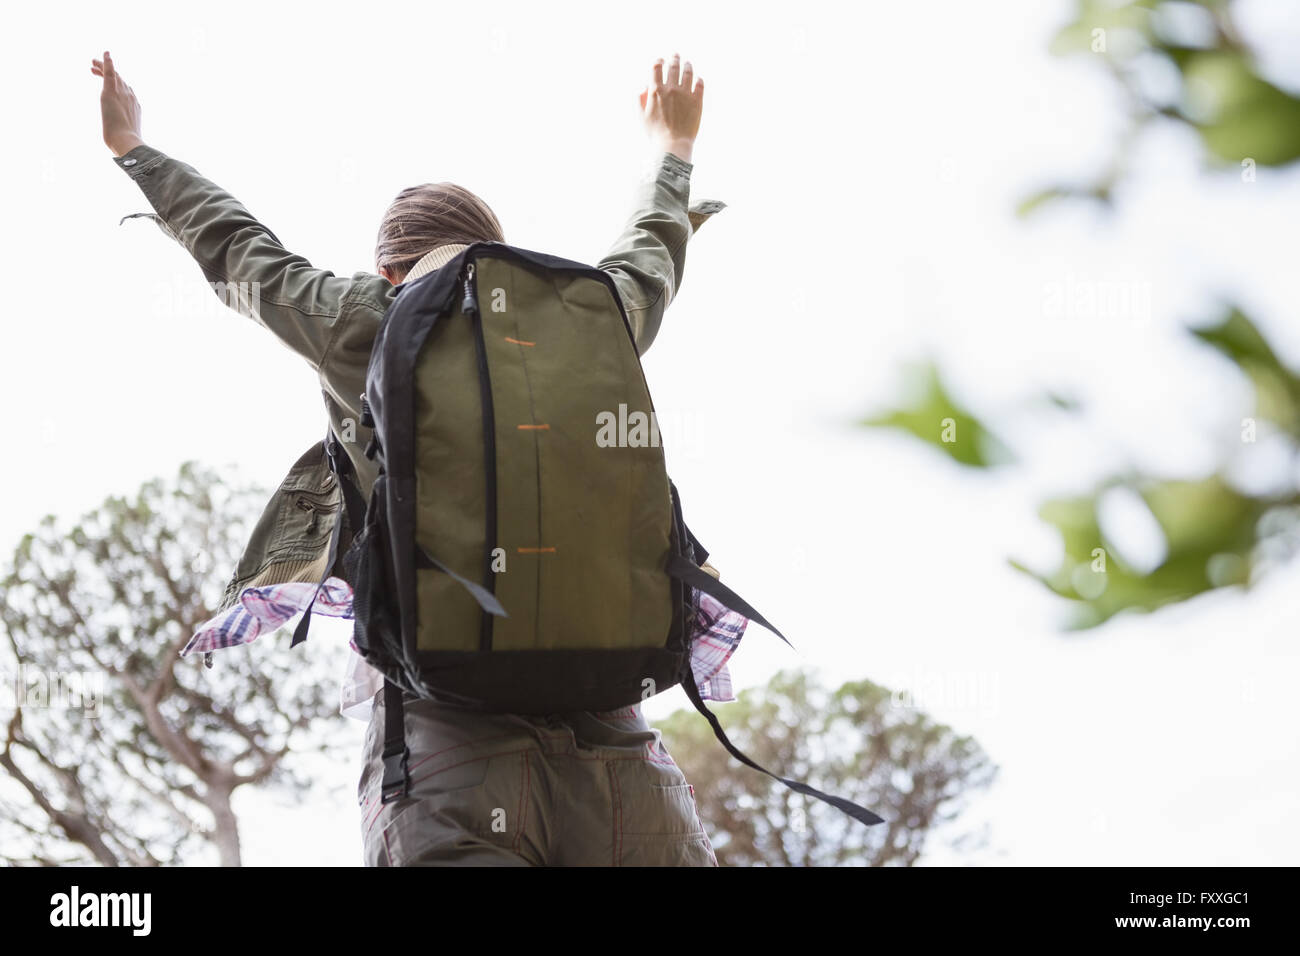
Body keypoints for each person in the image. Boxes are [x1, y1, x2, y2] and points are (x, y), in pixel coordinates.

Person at [94, 49, 733, 865]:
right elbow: (653, 250)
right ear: (496, 249)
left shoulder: (370, 316)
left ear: (388, 264)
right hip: (618, 746)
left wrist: (134, 149)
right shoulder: (592, 316)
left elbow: (236, 250)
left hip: (448, 741)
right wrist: (675, 149)